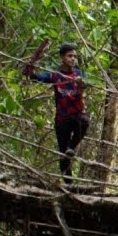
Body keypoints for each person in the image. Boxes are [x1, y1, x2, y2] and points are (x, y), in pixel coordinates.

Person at [24, 42, 89, 181]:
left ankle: (71, 148)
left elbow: (85, 84)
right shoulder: (56, 76)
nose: (73, 59)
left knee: (85, 122)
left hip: (77, 115)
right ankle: (68, 186)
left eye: (75, 56)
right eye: (69, 56)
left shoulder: (79, 74)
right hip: (62, 118)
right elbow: (35, 77)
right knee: (63, 155)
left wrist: (80, 83)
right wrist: (32, 64)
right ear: (62, 57)